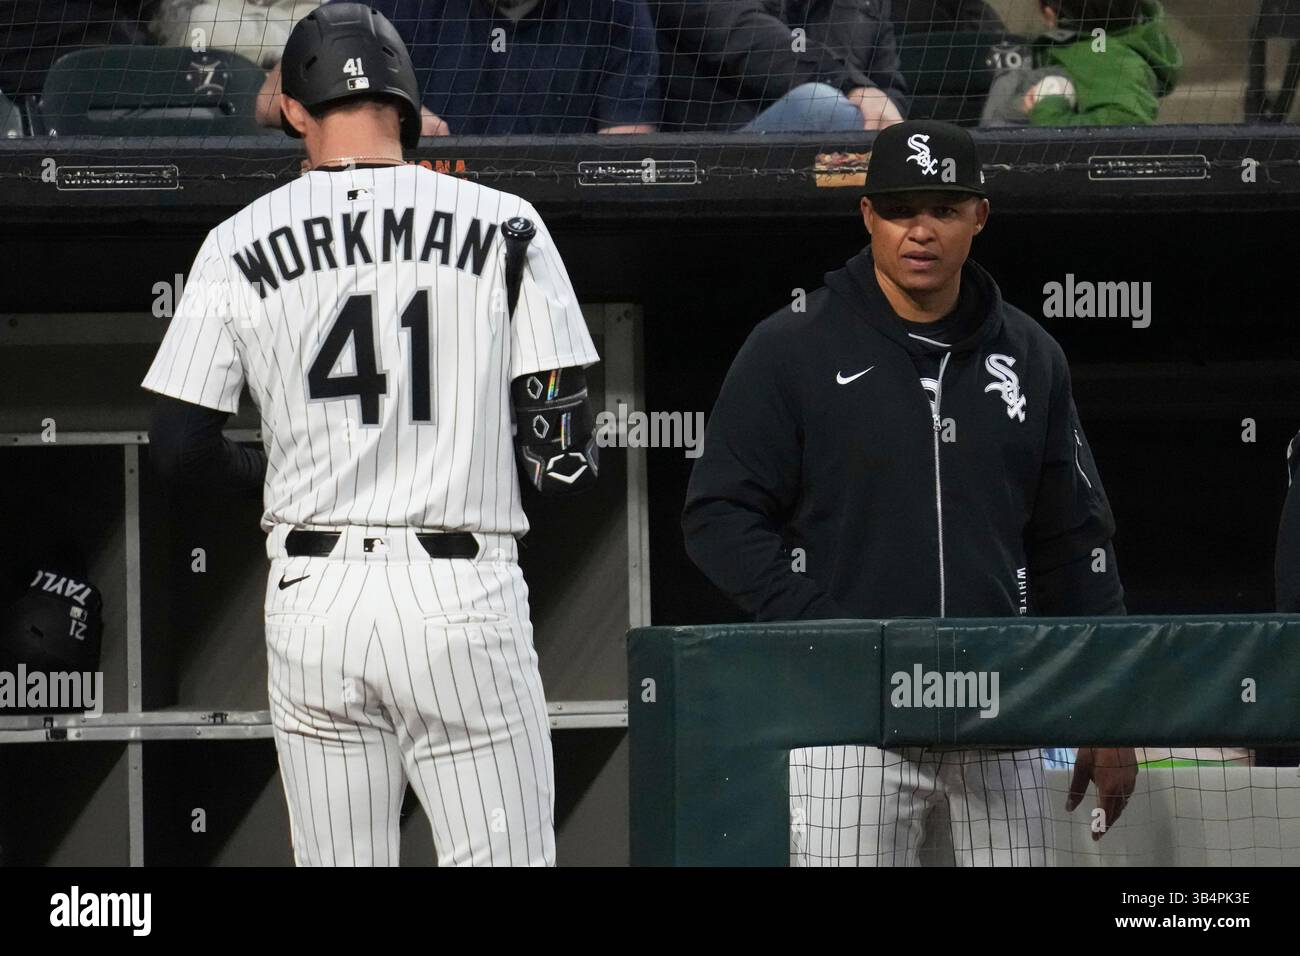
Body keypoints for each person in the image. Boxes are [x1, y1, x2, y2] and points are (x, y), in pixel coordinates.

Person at [143, 3, 601, 866]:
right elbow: (562, 456)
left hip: (314, 597)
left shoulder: (233, 244)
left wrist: (272, 478)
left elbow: (178, 448)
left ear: (293, 108)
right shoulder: (505, 224)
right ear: (404, 102)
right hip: (457, 594)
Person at [681, 119, 1135, 866]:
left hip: (1000, 715)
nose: (919, 231)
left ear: (979, 217)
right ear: (866, 216)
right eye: (898, 210)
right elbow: (718, 515)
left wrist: (1109, 713)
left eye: (944, 210)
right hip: (850, 722)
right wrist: (823, 630)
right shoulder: (793, 344)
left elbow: (1075, 543)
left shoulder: (1031, 355)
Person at [255, 0, 661, 135]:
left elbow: (623, 154)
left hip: (557, 227)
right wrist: (389, 108)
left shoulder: (614, 10)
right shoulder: (394, 3)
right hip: (414, 219)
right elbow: (272, 100)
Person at [651, 0, 908, 132]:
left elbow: (887, 89)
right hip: (720, 157)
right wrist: (850, 85)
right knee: (820, 106)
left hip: (841, 152)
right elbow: (747, 38)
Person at [982, 0, 1181, 127]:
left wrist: (1050, 114)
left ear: (1051, 14)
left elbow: (1125, 125)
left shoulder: (1102, 54)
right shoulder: (1106, 47)